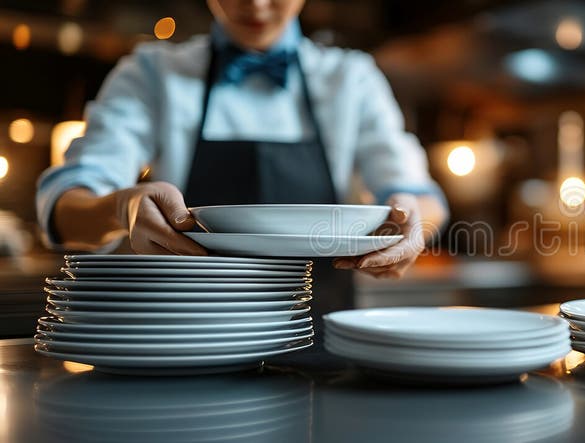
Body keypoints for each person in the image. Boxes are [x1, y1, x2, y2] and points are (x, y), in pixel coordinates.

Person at [35, 0, 448, 330]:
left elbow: (419, 197)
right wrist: (120, 209)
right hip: (187, 337)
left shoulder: (352, 78)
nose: (256, 4)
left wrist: (411, 221)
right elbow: (66, 204)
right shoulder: (152, 73)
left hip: (323, 337)